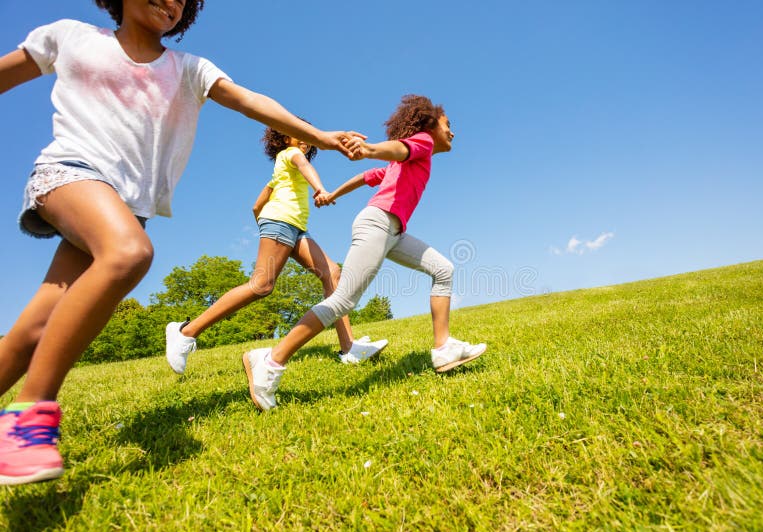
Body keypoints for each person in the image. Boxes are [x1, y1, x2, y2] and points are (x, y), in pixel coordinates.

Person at [0, 0, 362, 485]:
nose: (172, 1)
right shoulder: (70, 36)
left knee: (33, 332)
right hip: (67, 174)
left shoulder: (189, 70)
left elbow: (253, 101)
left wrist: (320, 135)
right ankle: (31, 415)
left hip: (127, 207)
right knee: (129, 253)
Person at [242, 95, 487, 412]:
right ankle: (271, 361)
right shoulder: (422, 143)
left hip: (392, 231)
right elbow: (401, 148)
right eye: (448, 125)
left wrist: (332, 193)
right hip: (378, 225)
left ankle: (443, 348)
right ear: (430, 124)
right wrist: (369, 150)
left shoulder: (400, 166)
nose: (452, 132)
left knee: (443, 269)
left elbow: (364, 177)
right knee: (343, 299)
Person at [165, 125, 388, 374]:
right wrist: (319, 190)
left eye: (308, 138)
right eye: (300, 136)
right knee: (261, 286)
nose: (305, 141)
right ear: (285, 138)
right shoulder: (291, 155)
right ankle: (185, 332)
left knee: (332, 274)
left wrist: (265, 224)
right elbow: (305, 167)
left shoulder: (279, 172)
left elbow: (256, 206)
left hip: (295, 229)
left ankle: (348, 348)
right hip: (282, 224)